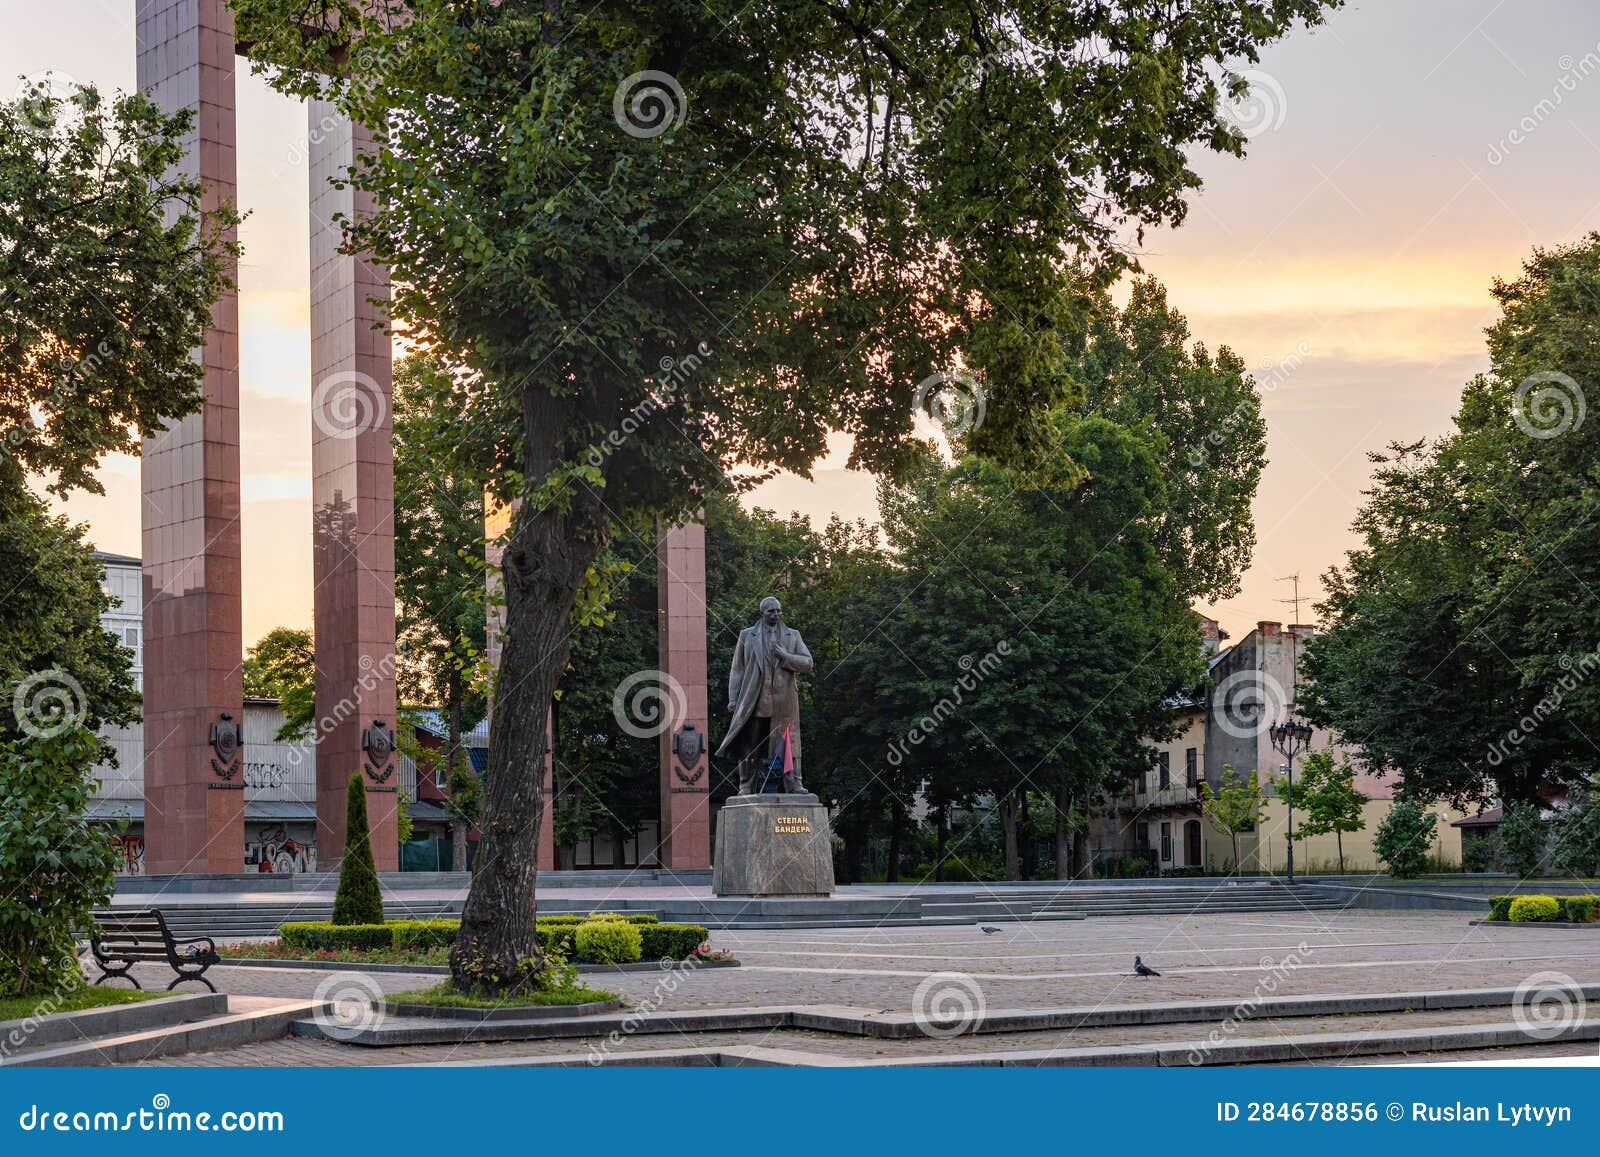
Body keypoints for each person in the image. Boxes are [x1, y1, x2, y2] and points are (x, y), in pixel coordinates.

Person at [716, 596, 813, 794]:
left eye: (778, 610)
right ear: (762, 612)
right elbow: (737, 670)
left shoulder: (792, 635)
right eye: (771, 611)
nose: (775, 614)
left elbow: (808, 663)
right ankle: (746, 785)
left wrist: (786, 657)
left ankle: (794, 784)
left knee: (789, 743)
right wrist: (734, 699)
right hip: (755, 701)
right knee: (750, 745)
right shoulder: (746, 636)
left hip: (784, 702)